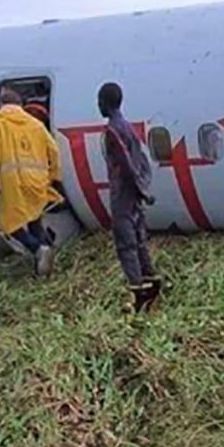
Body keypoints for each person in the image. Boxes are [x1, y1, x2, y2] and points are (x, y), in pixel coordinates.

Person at [97, 82, 161, 312]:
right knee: (139, 239)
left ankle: (138, 292)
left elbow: (125, 164)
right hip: (133, 193)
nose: (98, 106)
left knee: (126, 244)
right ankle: (152, 281)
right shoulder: (128, 127)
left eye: (99, 102)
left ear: (105, 103)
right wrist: (143, 187)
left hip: (123, 194)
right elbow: (141, 160)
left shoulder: (113, 131)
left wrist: (141, 190)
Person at [0, 88, 62, 277]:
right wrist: (54, 176)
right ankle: (45, 261)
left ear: (1, 104)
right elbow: (53, 150)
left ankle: (37, 249)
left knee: (9, 224)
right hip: (37, 180)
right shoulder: (36, 123)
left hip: (13, 181)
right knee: (34, 219)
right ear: (20, 105)